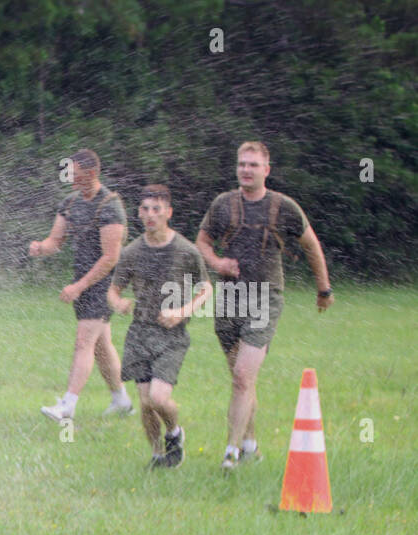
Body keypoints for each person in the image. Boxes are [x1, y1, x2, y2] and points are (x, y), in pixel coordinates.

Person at [196, 141, 335, 470]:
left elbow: (312, 246)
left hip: (264, 297)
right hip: (229, 297)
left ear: (266, 170)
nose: (246, 169)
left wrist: (323, 288)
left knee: (244, 376)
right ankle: (250, 444)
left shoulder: (284, 206)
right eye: (242, 164)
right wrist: (217, 263)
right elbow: (202, 241)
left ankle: (230, 452)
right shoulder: (222, 204)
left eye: (253, 165)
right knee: (240, 379)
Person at [107, 185, 212, 467]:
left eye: (157, 209)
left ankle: (174, 432)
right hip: (139, 334)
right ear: (139, 213)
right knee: (144, 403)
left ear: (168, 212)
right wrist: (119, 304)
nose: (150, 215)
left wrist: (182, 311)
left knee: (157, 398)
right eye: (145, 209)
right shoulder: (131, 252)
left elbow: (205, 290)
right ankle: (157, 455)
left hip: (171, 336)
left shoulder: (186, 251)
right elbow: (113, 291)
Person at [29, 148, 134, 422]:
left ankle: (68, 405)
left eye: (75, 174)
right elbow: (56, 241)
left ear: (92, 173)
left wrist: (79, 286)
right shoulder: (71, 202)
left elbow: (111, 257)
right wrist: (41, 247)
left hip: (105, 283)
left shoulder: (110, 205)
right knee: (101, 346)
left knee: (83, 342)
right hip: (84, 281)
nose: (70, 178)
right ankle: (121, 399)